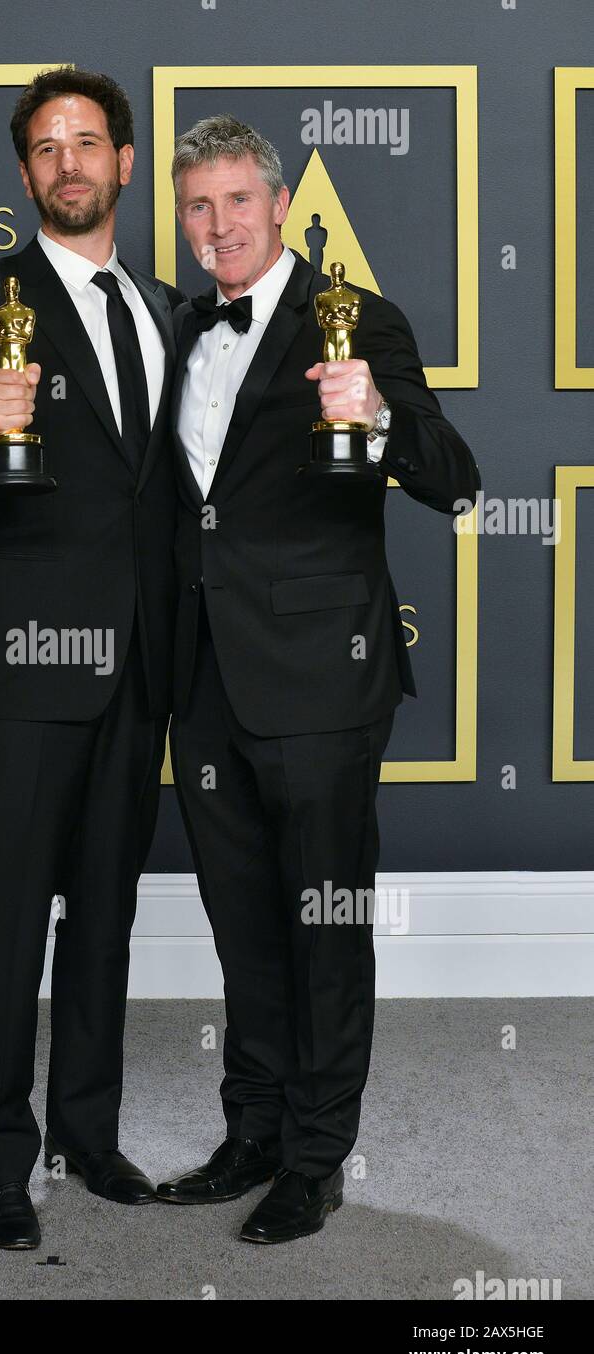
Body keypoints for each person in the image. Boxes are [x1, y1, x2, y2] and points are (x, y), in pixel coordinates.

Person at [158, 116, 480, 1242]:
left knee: (323, 923)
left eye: (237, 201)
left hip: (320, 678)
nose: (218, 226)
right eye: (198, 206)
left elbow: (454, 477)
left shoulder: (360, 320)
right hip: (201, 677)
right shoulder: (178, 326)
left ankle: (315, 1156)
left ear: (281, 205)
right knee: (241, 920)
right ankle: (250, 1130)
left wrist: (377, 416)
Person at [0, 67, 184, 1250]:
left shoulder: (169, 309)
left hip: (139, 673)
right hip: (22, 676)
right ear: (24, 175)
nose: (67, 162)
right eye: (44, 147)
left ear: (125, 162)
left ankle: (89, 1131)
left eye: (86, 142)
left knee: (105, 918)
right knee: (8, 923)